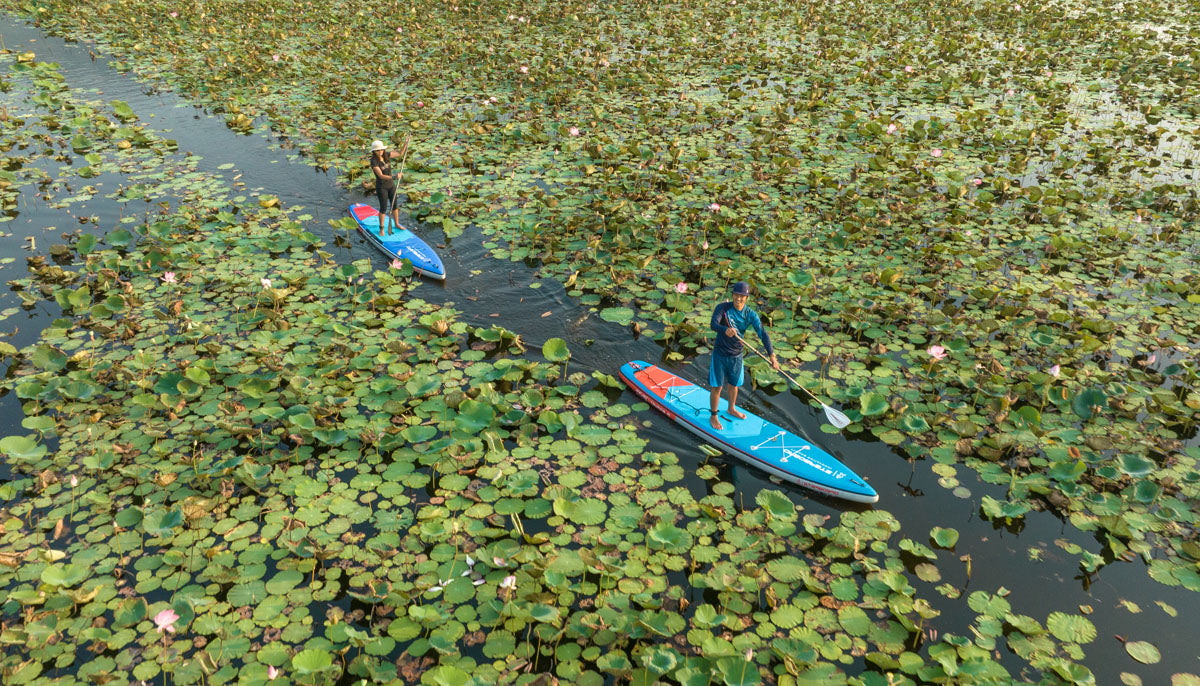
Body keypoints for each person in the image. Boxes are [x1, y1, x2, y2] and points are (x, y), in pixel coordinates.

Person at [709, 281, 779, 430]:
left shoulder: (750, 315)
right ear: (732, 295)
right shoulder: (723, 309)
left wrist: (772, 356)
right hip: (720, 354)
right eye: (736, 295)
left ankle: (731, 408)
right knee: (717, 386)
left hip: (736, 355)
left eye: (742, 296)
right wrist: (724, 329)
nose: (738, 299)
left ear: (747, 298)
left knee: (734, 385)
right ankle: (713, 415)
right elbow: (713, 324)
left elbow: (763, 334)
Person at [369, 139, 405, 236]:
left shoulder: (386, 155)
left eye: (381, 150)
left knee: (395, 206)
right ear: (374, 151)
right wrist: (394, 177)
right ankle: (381, 228)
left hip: (391, 185)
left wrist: (406, 142)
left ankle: (397, 224)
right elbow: (380, 176)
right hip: (382, 187)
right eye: (377, 150)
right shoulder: (374, 161)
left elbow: (400, 153)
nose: (380, 152)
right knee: (383, 207)